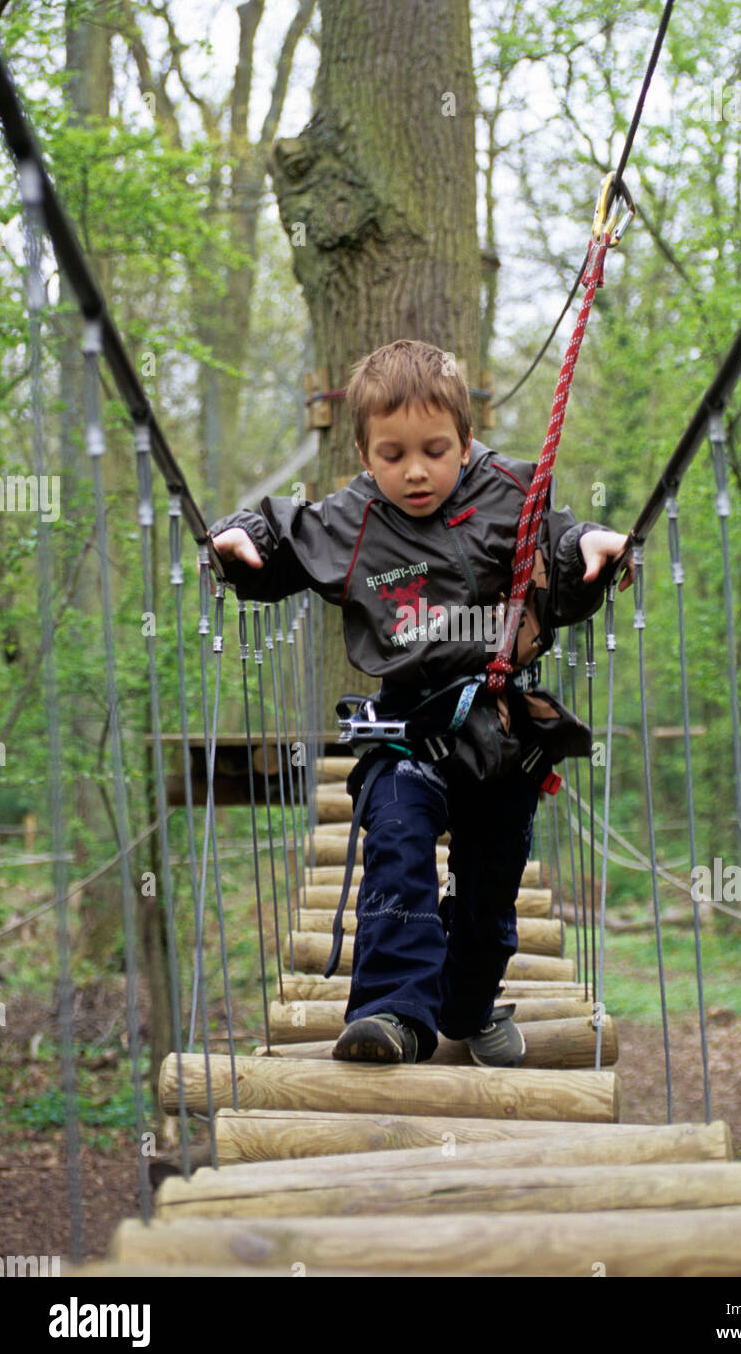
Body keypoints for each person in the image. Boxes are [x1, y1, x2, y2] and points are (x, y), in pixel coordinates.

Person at [208, 338, 633, 1066]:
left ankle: (466, 1004)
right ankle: (392, 1012)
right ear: (366, 457)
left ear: (466, 443)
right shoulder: (354, 518)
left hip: (500, 729)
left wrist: (594, 547)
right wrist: (241, 539)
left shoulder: (510, 492)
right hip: (407, 727)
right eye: (392, 453)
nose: (414, 470)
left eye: (435, 450)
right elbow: (285, 532)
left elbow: (560, 550)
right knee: (398, 846)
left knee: (490, 893)